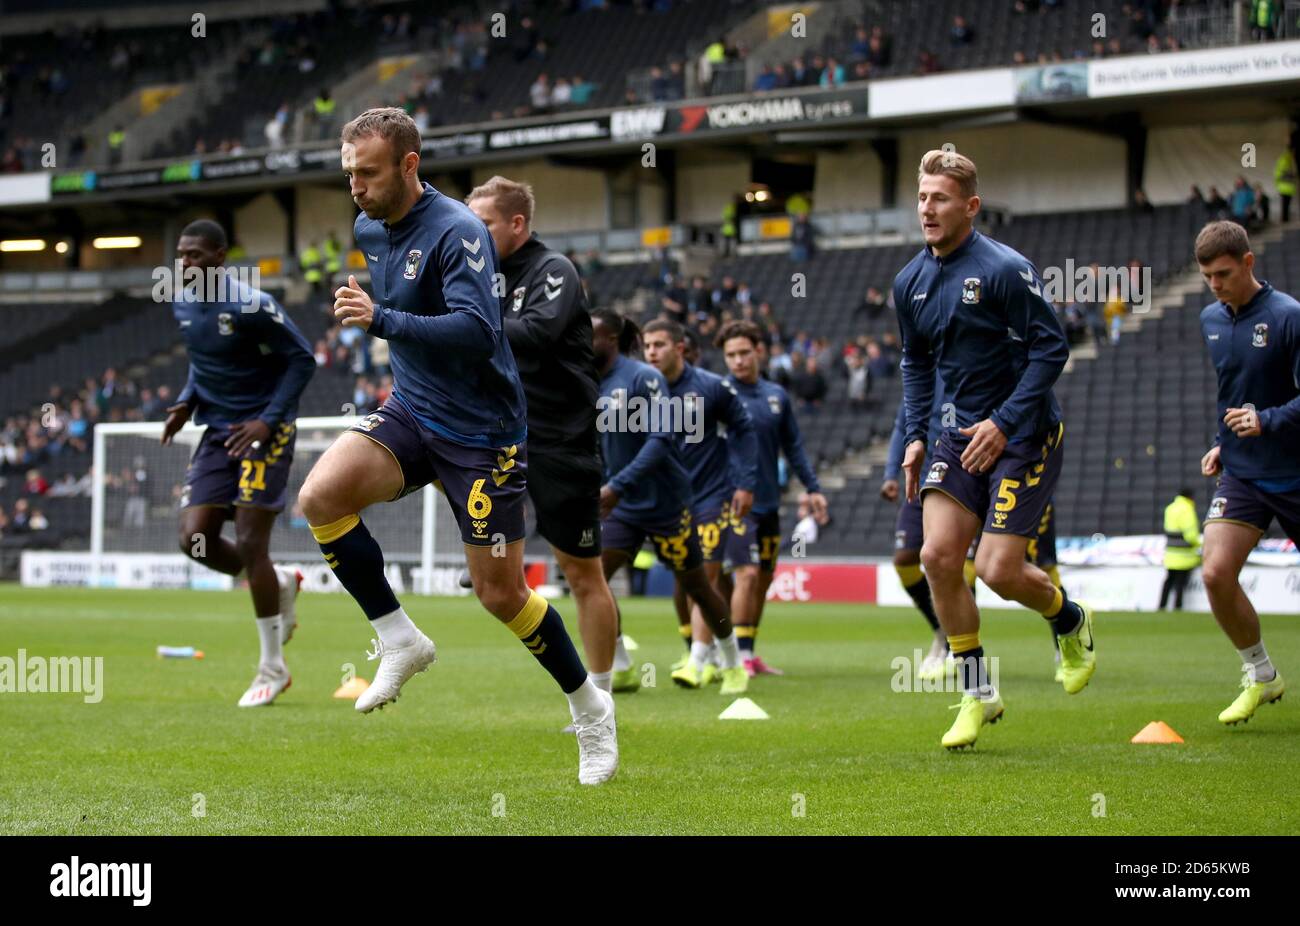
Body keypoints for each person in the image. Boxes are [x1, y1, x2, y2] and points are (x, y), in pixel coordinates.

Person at [301, 108, 616, 784]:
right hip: (414, 413)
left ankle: (591, 710)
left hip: (484, 437)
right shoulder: (367, 229)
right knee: (320, 496)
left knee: (500, 595)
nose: (355, 187)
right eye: (349, 173)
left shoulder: (459, 231)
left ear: (409, 166)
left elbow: (478, 330)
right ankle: (399, 637)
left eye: (369, 172)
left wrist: (381, 318)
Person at [896, 149, 1093, 751]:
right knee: (936, 556)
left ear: (971, 206)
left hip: (1022, 432)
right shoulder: (909, 282)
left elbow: (1050, 351)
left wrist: (1005, 423)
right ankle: (978, 692)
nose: (928, 208)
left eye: (941, 198)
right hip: (953, 436)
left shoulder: (1007, 269)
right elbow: (915, 362)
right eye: (923, 197)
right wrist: (914, 435)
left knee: (998, 570)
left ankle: (1069, 619)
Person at [465, 176, 619, 707]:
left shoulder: (554, 270)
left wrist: (464, 324)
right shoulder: (474, 272)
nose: (473, 235)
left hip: (560, 438)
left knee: (582, 575)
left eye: (482, 224)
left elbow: (534, 334)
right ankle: (485, 563)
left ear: (517, 224)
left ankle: (600, 699)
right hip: (499, 434)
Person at [161, 219, 315, 707]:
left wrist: (268, 422)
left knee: (251, 542)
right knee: (195, 540)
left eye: (196, 255)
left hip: (263, 433)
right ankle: (281, 583)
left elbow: (302, 360)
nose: (186, 263)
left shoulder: (252, 304)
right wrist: (187, 400)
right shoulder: (182, 302)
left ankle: (272, 667)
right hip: (217, 431)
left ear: (221, 256)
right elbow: (203, 362)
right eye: (181, 255)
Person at [590, 309, 744, 697]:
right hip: (622, 507)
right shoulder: (590, 381)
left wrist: (617, 486)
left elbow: (661, 441)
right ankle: (620, 666)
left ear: (610, 340)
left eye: (589, 336)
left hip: (665, 504)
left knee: (697, 586)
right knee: (593, 582)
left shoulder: (645, 378)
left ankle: (732, 661)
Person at [1195, 220, 1294, 724]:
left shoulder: (1288, 317)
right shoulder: (1210, 319)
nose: (1216, 284)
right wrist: (1221, 442)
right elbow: (1230, 394)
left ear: (1249, 263)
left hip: (1295, 469)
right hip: (1244, 472)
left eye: (1224, 273)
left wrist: (1267, 420)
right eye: (1208, 275)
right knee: (1214, 572)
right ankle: (1261, 675)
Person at [641, 318, 758, 695]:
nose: (652, 352)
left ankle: (697, 661)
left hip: (711, 495)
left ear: (680, 347)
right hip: (668, 502)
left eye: (659, 344)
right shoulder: (640, 388)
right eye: (646, 346)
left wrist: (744, 482)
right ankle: (706, 654)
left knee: (705, 576)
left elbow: (743, 429)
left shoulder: (711, 387)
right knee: (684, 580)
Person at [717, 321, 826, 675]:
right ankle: (730, 657)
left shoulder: (777, 396)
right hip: (731, 503)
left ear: (759, 352)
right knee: (745, 575)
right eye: (730, 355)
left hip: (768, 503)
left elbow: (793, 447)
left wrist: (813, 487)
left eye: (743, 353)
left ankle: (748, 653)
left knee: (762, 578)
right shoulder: (717, 395)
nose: (737, 361)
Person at [1159, 487, 1201, 611]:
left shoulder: (1170, 508)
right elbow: (1190, 535)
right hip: (1184, 555)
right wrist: (1199, 545)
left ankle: (1162, 606)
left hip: (1170, 553)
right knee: (1180, 583)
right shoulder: (1187, 510)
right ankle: (1178, 606)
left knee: (1168, 581)